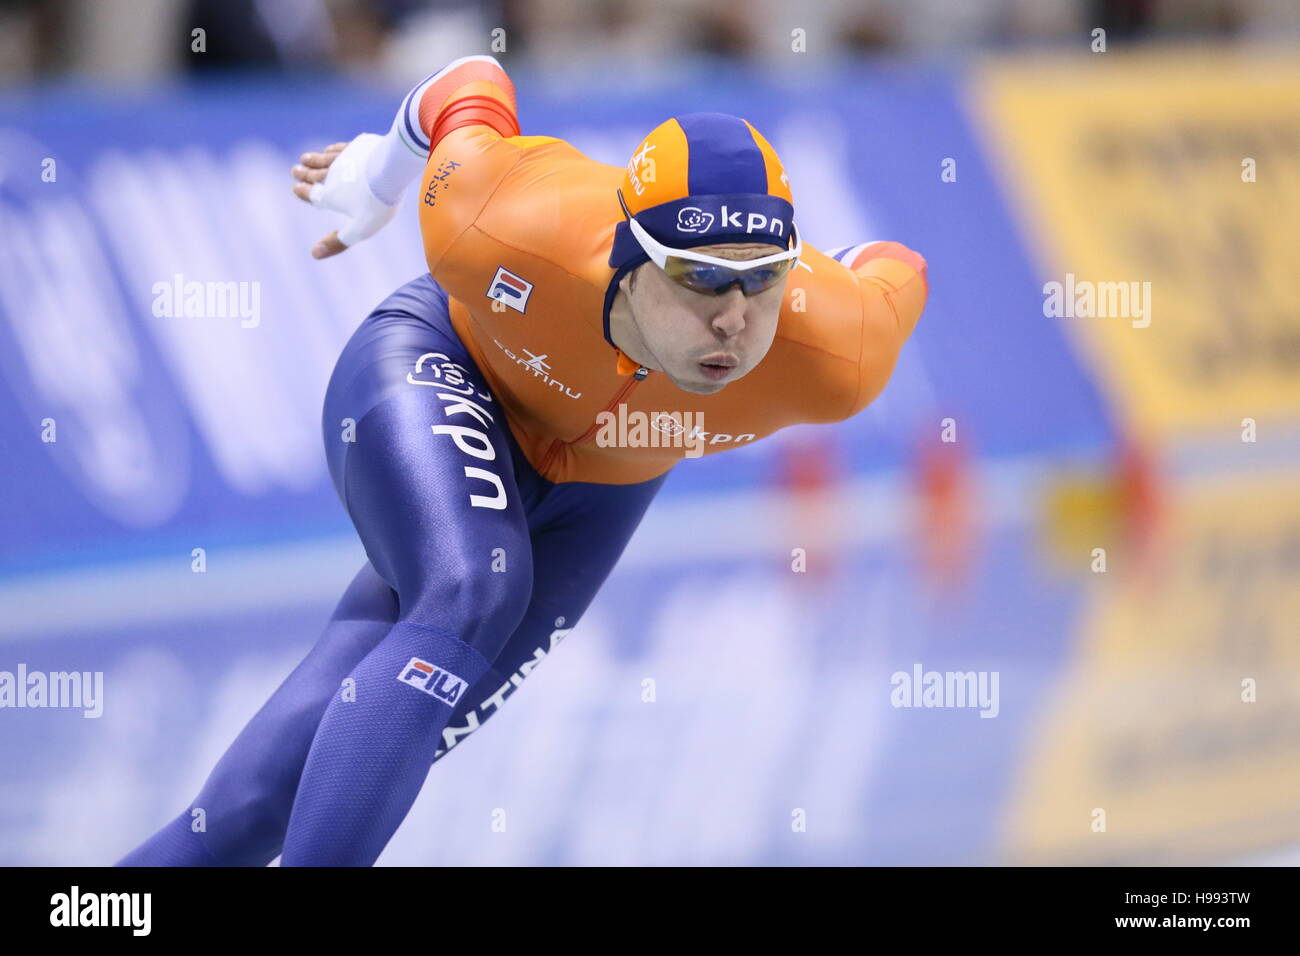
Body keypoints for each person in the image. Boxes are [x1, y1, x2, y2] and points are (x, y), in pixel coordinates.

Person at [117, 54, 928, 867]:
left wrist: (822, 273)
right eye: (702, 279)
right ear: (628, 254)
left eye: (763, 281)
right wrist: (384, 171)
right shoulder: (498, 221)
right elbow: (469, 79)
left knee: (263, 809)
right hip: (446, 367)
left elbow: (898, 267)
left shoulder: (834, 352)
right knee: (474, 586)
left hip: (607, 486)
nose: (733, 320)